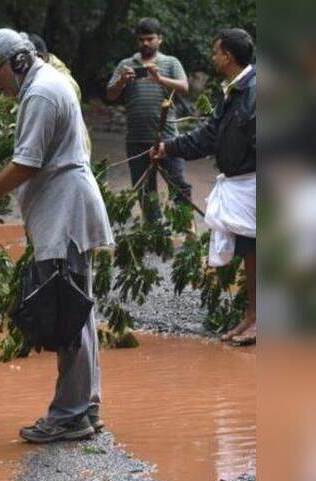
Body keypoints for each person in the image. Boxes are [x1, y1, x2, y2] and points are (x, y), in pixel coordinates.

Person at [0, 29, 114, 443]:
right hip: (61, 211)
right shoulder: (43, 86)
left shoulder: (41, 93)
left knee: (66, 312)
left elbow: (25, 164)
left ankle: (69, 415)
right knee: (77, 312)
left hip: (64, 213)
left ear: (14, 62)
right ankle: (85, 408)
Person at [152, 29, 257, 346]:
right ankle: (254, 315)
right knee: (251, 249)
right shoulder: (235, 91)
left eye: (215, 52)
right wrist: (168, 148)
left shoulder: (256, 91)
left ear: (227, 55)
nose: (212, 58)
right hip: (243, 183)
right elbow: (209, 136)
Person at [106, 17, 192, 223]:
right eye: (141, 40)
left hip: (168, 137)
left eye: (150, 39)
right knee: (144, 189)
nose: (145, 43)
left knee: (178, 184)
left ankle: (188, 229)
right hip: (136, 138)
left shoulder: (171, 62)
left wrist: (159, 78)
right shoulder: (126, 64)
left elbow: (185, 87)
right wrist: (121, 81)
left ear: (160, 39)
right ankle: (154, 231)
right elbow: (110, 95)